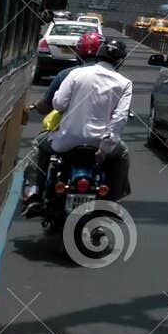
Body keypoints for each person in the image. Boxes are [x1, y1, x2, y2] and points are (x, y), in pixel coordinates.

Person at [23, 33, 133, 212]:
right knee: (122, 155)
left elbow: (58, 104)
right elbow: (119, 118)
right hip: (98, 143)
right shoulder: (125, 83)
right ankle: (112, 200)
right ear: (120, 61)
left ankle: (33, 193)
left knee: (38, 146)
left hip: (65, 141)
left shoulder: (76, 73)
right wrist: (104, 150)